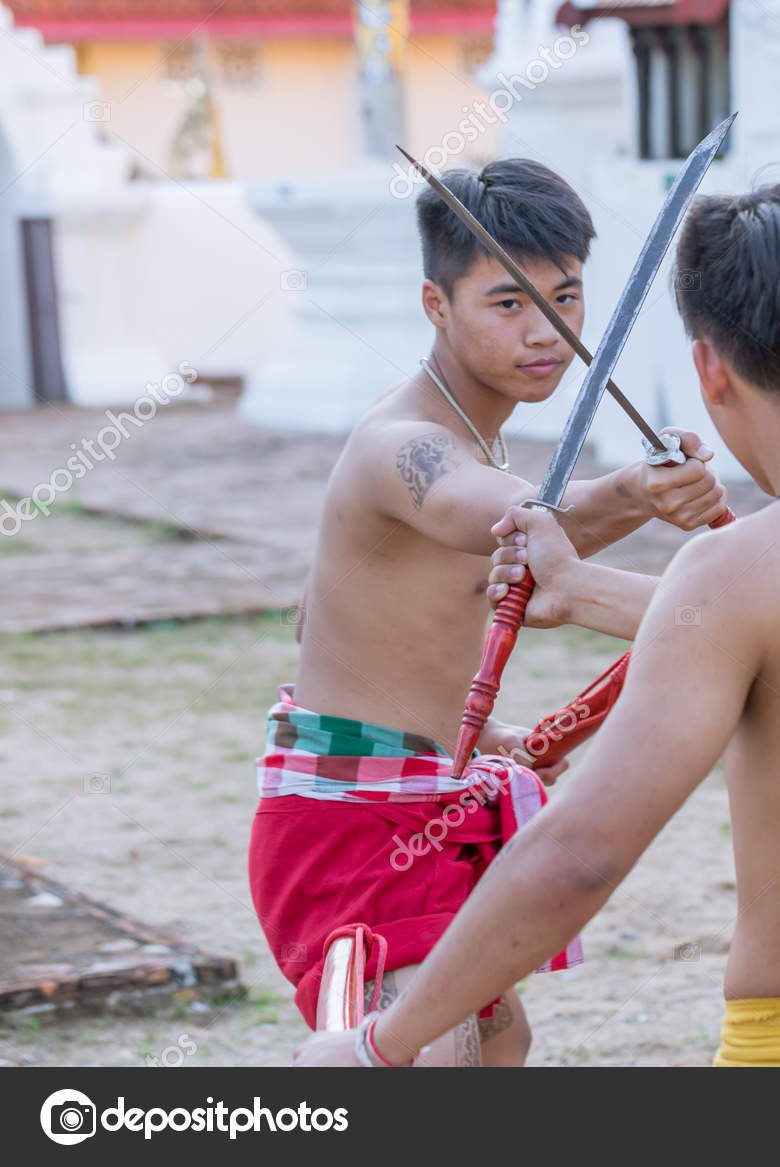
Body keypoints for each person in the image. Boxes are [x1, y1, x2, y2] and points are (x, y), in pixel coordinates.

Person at [295, 179, 780, 1068]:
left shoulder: (736, 576)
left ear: (709, 370)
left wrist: (381, 1045)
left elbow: (580, 853)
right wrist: (580, 590)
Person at [251, 157, 728, 1066]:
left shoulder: (472, 434)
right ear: (437, 305)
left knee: (498, 1040)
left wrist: (637, 487)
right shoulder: (406, 448)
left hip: (418, 787)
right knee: (436, 1054)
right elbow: (507, 516)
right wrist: (635, 501)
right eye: (507, 303)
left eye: (565, 296)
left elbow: (508, 539)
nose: (546, 330)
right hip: (349, 829)